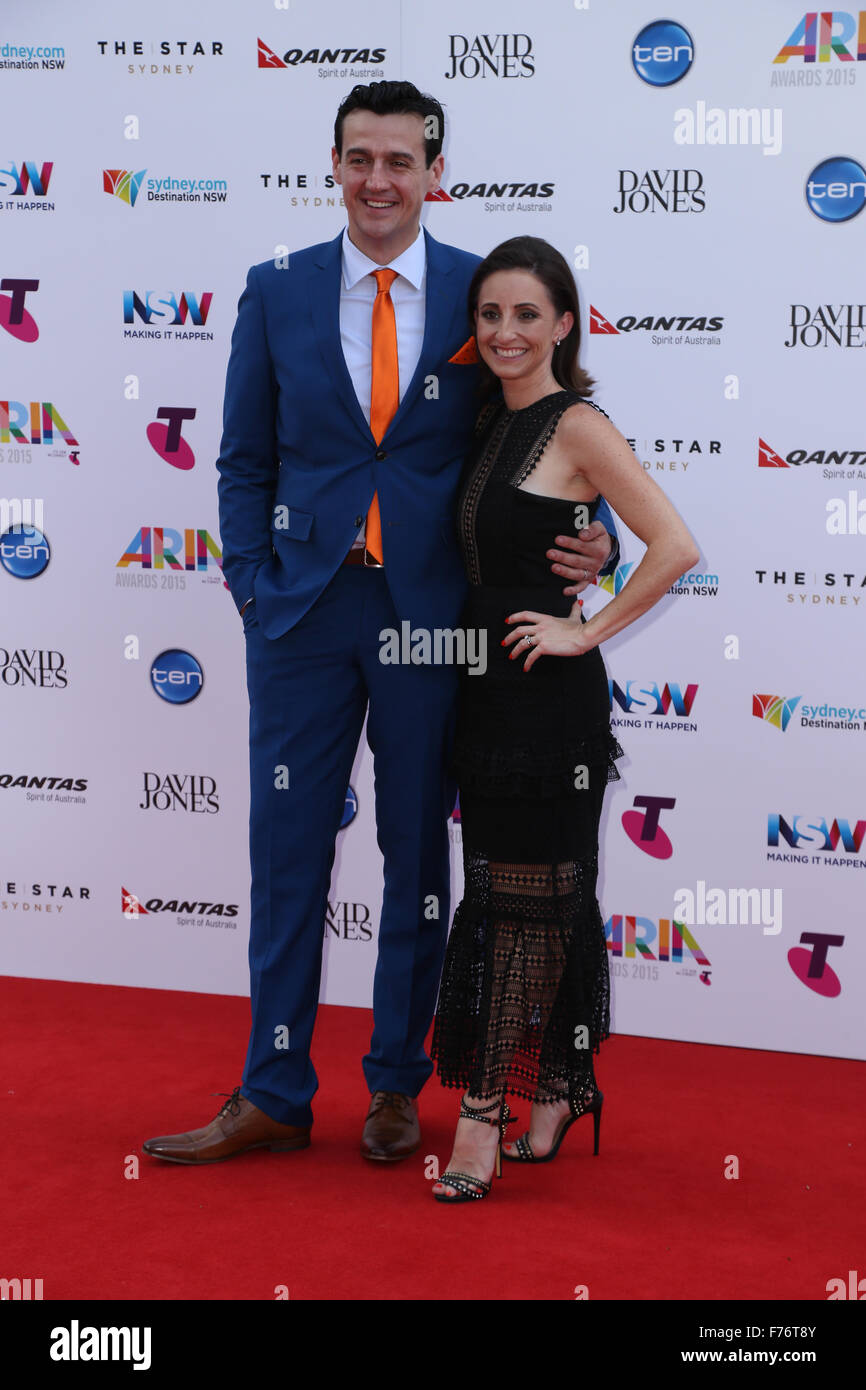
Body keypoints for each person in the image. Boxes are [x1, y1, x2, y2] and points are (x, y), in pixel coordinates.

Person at [142, 84, 617, 1169]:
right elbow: (241, 461)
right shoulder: (276, 291)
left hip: (433, 622)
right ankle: (270, 1087)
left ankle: (398, 1085)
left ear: (431, 171)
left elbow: (551, 429)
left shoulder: (474, 293)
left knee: (415, 854)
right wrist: (253, 587)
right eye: (359, 158)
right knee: (286, 854)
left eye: (399, 160)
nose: (377, 179)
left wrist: (597, 542)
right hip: (301, 614)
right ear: (334, 164)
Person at [430, 236, 699, 1202]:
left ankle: (482, 1113)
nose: (506, 332)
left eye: (527, 315)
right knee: (535, 898)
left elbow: (675, 544)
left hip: (547, 705)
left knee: (525, 908)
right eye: (491, 314)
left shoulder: (577, 423)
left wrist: (588, 633)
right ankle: (557, 1081)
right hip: (478, 689)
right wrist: (596, 547)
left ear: (565, 323)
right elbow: (555, 539)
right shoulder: (486, 423)